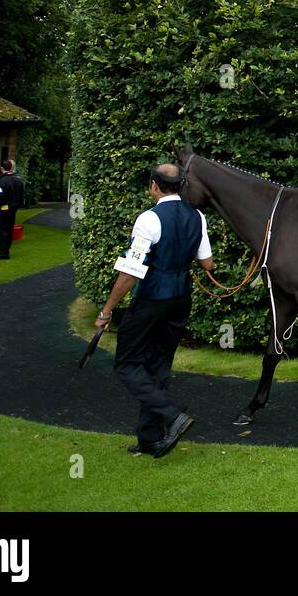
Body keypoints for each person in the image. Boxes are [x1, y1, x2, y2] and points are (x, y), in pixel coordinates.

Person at [97, 161, 214, 458]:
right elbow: (208, 263)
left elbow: (130, 273)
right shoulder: (197, 216)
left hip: (152, 299)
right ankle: (150, 438)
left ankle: (173, 414)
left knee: (126, 363)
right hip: (181, 299)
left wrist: (107, 310)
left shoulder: (148, 219)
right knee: (158, 366)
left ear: (154, 185)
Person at [0, 160, 25, 260]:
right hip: (13, 209)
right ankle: (6, 250)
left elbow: (0, 196)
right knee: (9, 230)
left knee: (1, 230)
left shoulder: (2, 181)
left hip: (4, 208)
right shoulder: (18, 180)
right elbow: (22, 196)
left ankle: (3, 253)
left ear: (2, 168)